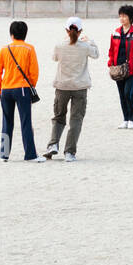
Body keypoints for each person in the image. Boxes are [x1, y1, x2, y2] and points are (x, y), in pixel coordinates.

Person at [42, 16, 99, 161]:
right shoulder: (85, 46)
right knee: (76, 119)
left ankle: (53, 144)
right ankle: (69, 152)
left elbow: (54, 58)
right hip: (80, 86)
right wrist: (90, 41)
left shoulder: (59, 45)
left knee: (59, 117)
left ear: (67, 30)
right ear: (80, 31)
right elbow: (96, 54)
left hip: (62, 85)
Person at [0, 20, 45, 162]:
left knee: (6, 122)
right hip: (22, 88)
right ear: (25, 34)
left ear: (11, 34)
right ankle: (30, 154)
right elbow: (34, 71)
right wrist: (31, 86)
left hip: (6, 89)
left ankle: (3, 154)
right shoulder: (29, 48)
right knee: (25, 122)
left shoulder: (4, 49)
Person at [108, 4, 133, 129]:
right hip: (118, 69)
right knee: (121, 94)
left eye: (124, 16)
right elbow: (111, 50)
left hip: (131, 69)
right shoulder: (115, 32)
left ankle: (132, 118)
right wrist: (110, 64)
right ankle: (125, 118)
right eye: (120, 16)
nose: (122, 19)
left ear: (130, 18)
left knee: (128, 93)